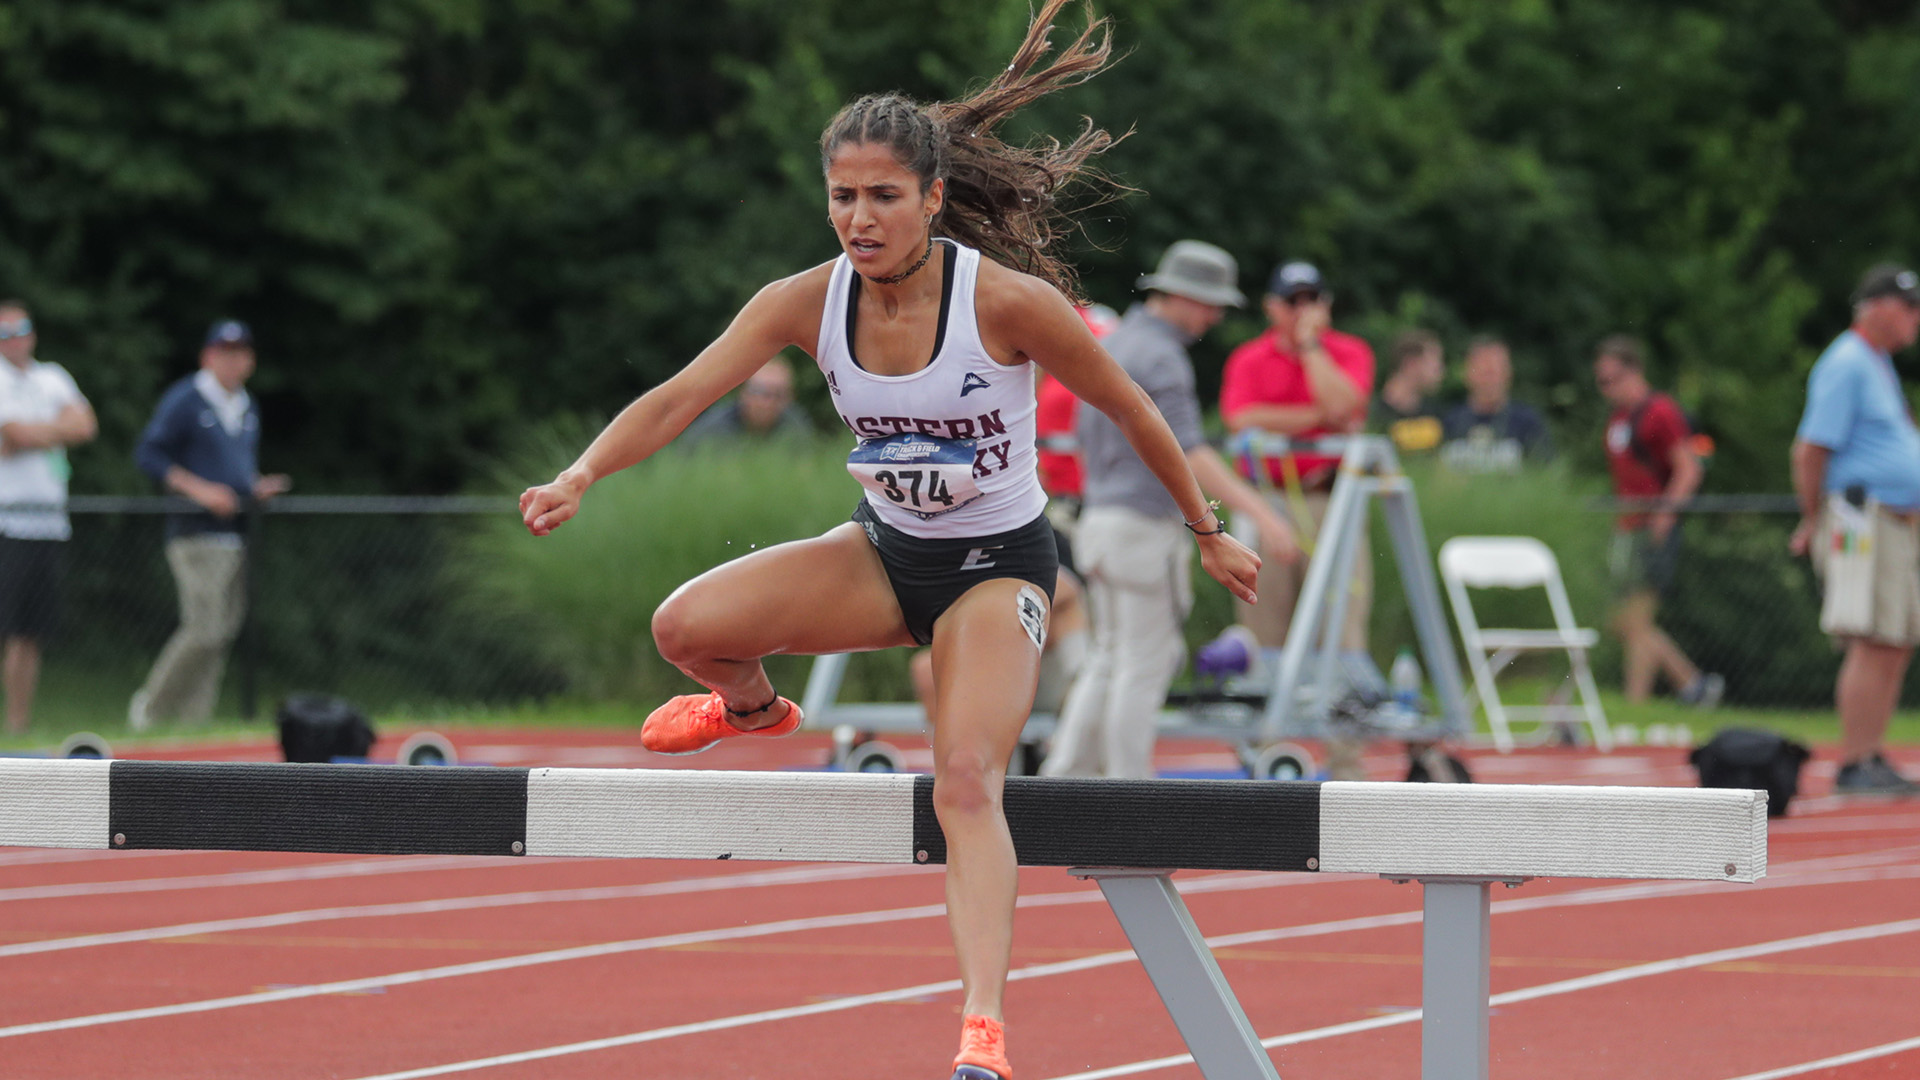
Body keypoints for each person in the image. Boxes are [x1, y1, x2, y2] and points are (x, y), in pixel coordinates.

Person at [516, 6, 1262, 1078]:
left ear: (933, 198)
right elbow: (681, 395)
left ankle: (984, 1033)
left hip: (996, 570)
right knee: (683, 626)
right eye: (842, 196)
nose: (859, 220)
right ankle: (753, 707)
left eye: (882, 197)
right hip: (883, 556)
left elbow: (1136, 411)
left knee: (964, 781)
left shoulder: (1005, 302)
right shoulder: (804, 303)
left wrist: (1209, 533)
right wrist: (584, 470)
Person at [1040, 241, 1297, 779]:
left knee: (1108, 659)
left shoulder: (1112, 344)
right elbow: (1191, 450)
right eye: (1208, 302)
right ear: (1178, 296)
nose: (1215, 316)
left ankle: (1064, 776)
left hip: (1100, 521)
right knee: (1144, 667)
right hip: (1141, 528)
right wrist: (1261, 515)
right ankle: (1129, 789)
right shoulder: (1161, 357)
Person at [1788, 264, 1920, 794]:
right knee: (1870, 637)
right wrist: (1813, 517)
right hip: (1861, 517)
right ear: (1877, 307)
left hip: (1892, 520)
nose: (1915, 318)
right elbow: (1811, 448)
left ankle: (1872, 754)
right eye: (1908, 306)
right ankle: (1854, 761)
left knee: (1895, 639)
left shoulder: (1876, 365)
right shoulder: (1846, 362)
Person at [130, 320, 291, 729]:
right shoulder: (187, 399)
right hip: (195, 532)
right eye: (225, 352)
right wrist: (199, 491)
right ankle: (150, 708)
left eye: (241, 352)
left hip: (236, 534)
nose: (234, 360)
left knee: (222, 633)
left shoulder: (247, 406)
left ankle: (193, 720)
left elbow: (236, 471)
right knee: (202, 629)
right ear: (208, 356)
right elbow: (149, 454)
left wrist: (254, 489)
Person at [1219, 260, 1375, 655]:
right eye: (1292, 302)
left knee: (1340, 618)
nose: (1302, 310)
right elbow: (1241, 419)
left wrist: (1310, 346)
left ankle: (1339, 703)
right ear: (1272, 306)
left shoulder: (1349, 351)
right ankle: (1268, 701)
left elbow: (1343, 407)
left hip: (1328, 497)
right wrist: (1320, 418)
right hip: (1266, 497)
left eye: (1312, 300)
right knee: (1263, 620)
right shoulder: (1249, 358)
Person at [1594, 334, 1722, 709]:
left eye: (1611, 380)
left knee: (1636, 618)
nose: (1606, 389)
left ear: (1634, 371)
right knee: (1623, 620)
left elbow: (1688, 468)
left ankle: (1636, 705)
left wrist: (1666, 514)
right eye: (1601, 382)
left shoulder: (1660, 411)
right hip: (1625, 524)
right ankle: (1692, 683)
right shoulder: (1618, 418)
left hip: (1651, 525)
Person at [0, 300, 97, 735]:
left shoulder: (52, 376)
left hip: (48, 523)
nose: (14, 339)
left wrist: (32, 433)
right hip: (8, 521)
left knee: (30, 632)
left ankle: (17, 724)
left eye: (20, 329)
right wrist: (55, 428)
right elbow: (13, 434)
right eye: (5, 332)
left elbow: (85, 426)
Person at [1439, 334, 1552, 472]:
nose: (1490, 379)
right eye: (1483, 371)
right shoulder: (1448, 421)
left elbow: (1544, 472)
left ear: (1509, 374)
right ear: (1467, 374)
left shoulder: (1527, 423)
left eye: (1496, 371)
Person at [675, 355, 814, 445]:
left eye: (778, 395)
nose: (769, 403)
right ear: (744, 393)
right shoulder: (711, 433)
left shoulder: (796, 429)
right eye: (762, 392)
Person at [1372, 328, 1446, 457]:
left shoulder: (1436, 415)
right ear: (1411, 363)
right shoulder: (1374, 416)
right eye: (1435, 362)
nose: (1441, 370)